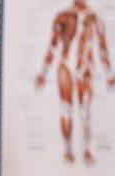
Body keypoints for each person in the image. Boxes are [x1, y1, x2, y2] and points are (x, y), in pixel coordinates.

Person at [35, 0, 115, 164]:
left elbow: (102, 47)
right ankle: (68, 150)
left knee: (85, 111)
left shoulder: (95, 19)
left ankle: (86, 149)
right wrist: (43, 71)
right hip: (66, 67)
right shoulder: (63, 17)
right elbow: (53, 45)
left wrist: (109, 73)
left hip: (84, 69)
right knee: (66, 109)